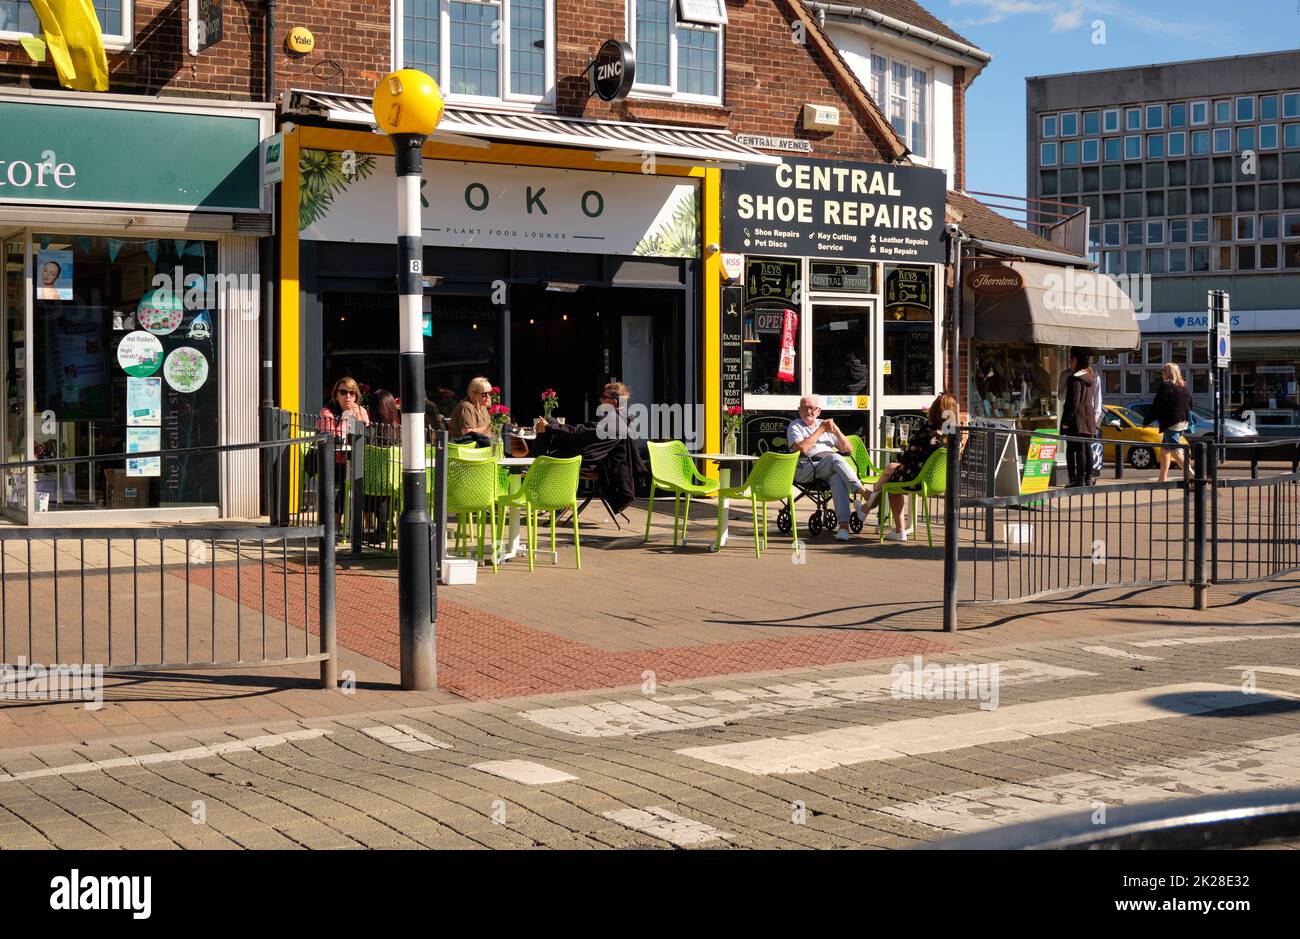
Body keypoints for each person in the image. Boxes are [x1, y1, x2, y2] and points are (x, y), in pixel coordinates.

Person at [532, 382, 645, 516]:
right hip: (598, 463)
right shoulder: (622, 420)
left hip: (588, 463)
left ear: (614, 402)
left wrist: (550, 426)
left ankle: (553, 500)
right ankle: (553, 502)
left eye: (604, 397)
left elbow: (579, 432)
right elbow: (584, 430)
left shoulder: (612, 421)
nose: (600, 399)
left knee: (544, 459)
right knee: (553, 444)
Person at [863, 393, 954, 541]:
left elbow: (906, 459)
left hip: (917, 479)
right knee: (891, 468)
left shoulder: (927, 432)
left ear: (935, 412)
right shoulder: (953, 435)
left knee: (891, 481)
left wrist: (906, 448)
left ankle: (896, 528)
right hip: (941, 481)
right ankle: (866, 508)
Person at [786, 396, 872, 542]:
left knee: (837, 477)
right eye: (805, 408)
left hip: (828, 467)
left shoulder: (824, 425)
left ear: (818, 411)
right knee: (835, 458)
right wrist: (820, 430)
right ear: (799, 411)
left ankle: (844, 527)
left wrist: (836, 431)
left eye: (812, 408)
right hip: (806, 467)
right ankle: (864, 493)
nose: (809, 411)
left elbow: (847, 449)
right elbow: (802, 449)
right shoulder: (795, 426)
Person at [319, 376, 370, 527]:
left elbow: (366, 436)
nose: (348, 396)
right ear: (336, 394)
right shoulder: (327, 412)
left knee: (369, 478)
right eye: (343, 392)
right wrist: (347, 417)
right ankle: (335, 520)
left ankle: (371, 522)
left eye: (352, 393)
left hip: (357, 458)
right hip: (333, 460)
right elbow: (333, 438)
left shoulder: (361, 411)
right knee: (346, 480)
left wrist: (357, 417)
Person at [1143, 362, 1192, 482]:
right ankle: (1162, 479)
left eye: (1163, 371)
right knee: (1165, 450)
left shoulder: (1165, 386)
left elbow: (1157, 405)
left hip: (1171, 423)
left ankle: (1193, 476)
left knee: (1175, 451)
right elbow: (1190, 404)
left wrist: (1147, 421)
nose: (1162, 374)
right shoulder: (1183, 386)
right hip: (1182, 421)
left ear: (1167, 373)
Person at [1060, 348, 1100, 487]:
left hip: (1076, 419)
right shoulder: (1091, 377)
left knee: (1078, 449)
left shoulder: (1075, 379)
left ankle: (1078, 479)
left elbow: (1073, 402)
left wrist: (1066, 421)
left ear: (1076, 360)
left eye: (1071, 360)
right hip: (1088, 417)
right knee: (1086, 448)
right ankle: (1088, 478)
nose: (1070, 363)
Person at [449, 377, 493, 447]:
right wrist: (491, 426)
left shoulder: (482, 406)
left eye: (490, 393)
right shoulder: (466, 406)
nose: (488, 397)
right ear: (474, 394)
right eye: (484, 394)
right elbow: (467, 433)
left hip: (482, 447)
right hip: (465, 450)